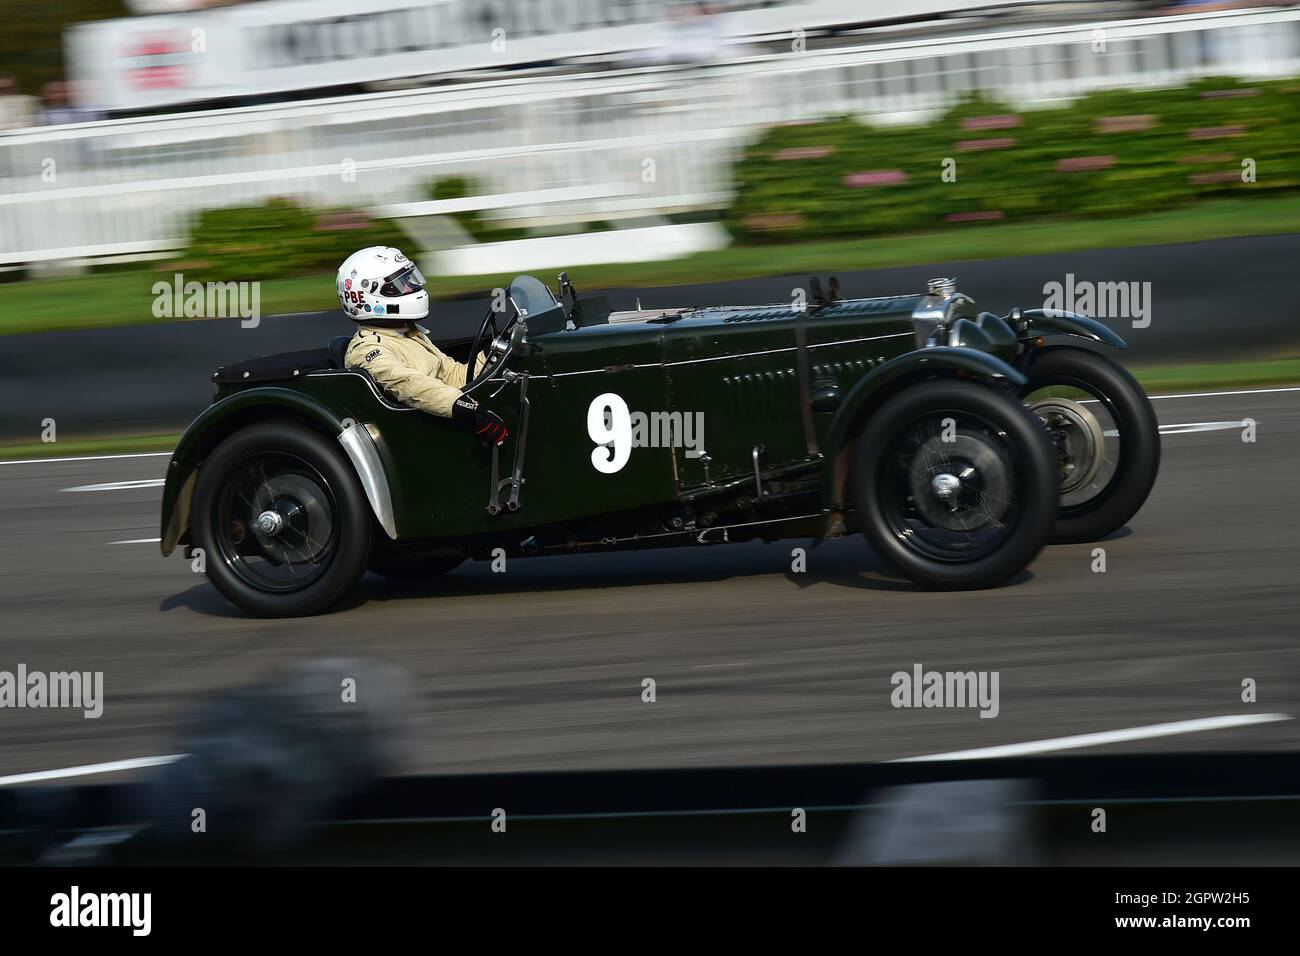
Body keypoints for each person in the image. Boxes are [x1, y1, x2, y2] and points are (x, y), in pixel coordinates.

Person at [339, 246, 507, 446]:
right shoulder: (366, 349)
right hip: (415, 438)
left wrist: (494, 353)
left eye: (409, 280)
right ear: (368, 294)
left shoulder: (406, 333)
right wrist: (466, 408)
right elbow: (411, 385)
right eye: (401, 285)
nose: (410, 287)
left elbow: (455, 377)